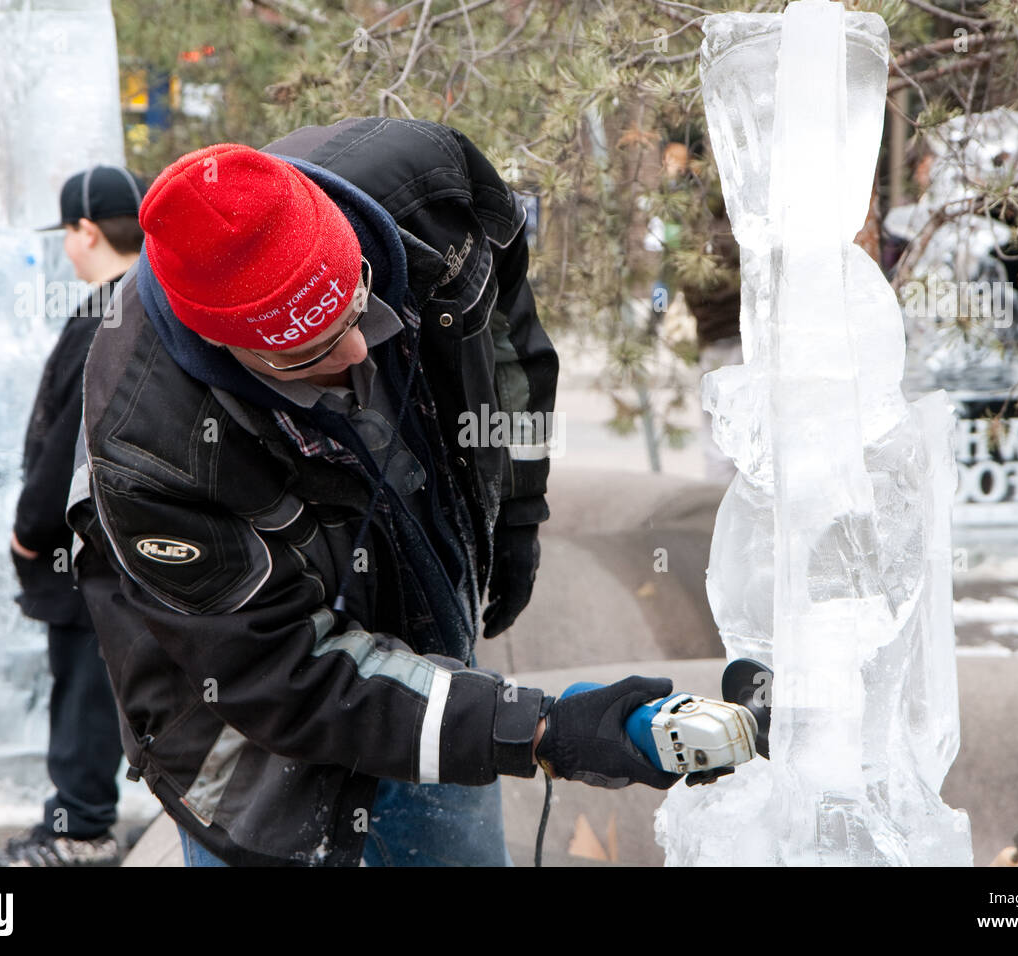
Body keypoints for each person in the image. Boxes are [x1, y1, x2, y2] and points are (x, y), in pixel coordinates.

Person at [67, 119, 683, 867]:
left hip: (431, 666)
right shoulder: (149, 446)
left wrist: (518, 510)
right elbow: (279, 674)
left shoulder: (431, 187)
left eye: (358, 302)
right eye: (312, 352)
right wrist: (538, 730)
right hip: (251, 723)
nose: (362, 349)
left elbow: (510, 341)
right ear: (231, 349)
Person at [0, 167, 147, 866]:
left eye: (68, 237)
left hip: (86, 550)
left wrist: (28, 530)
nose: (66, 252)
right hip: (129, 544)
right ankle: (81, 817)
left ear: (85, 231)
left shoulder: (106, 314)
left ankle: (79, 829)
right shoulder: (151, 301)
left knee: (81, 689)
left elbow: (65, 447)